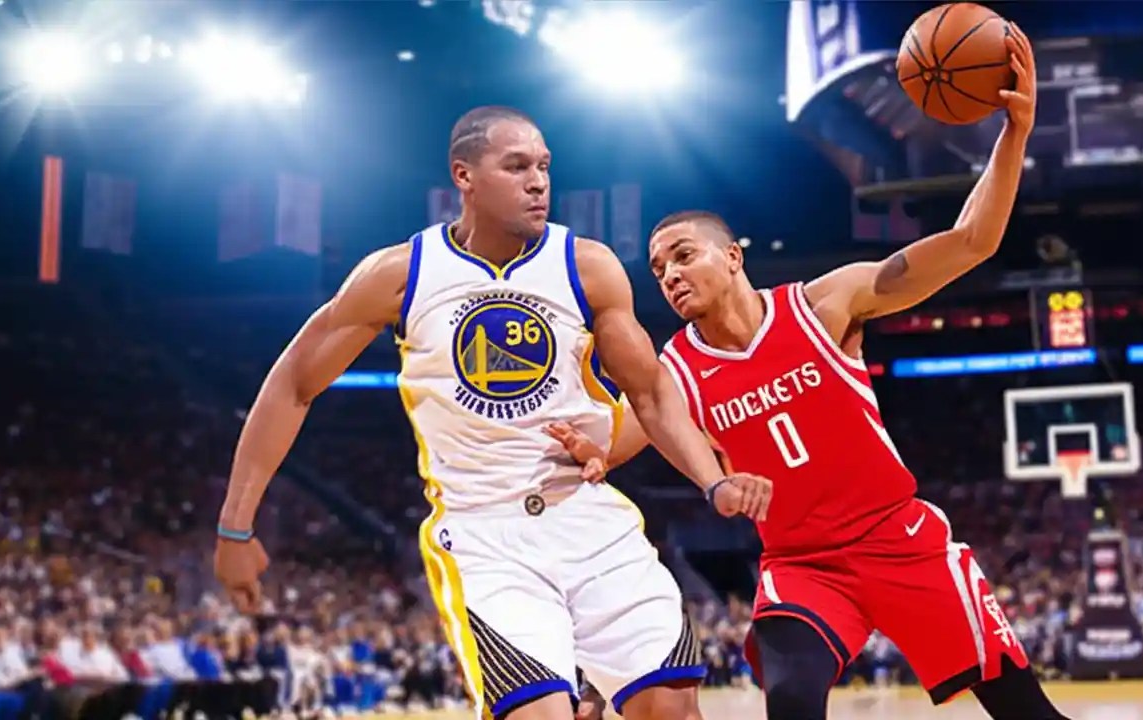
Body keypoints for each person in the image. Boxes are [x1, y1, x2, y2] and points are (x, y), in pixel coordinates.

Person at [545, 27, 1070, 720]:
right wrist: (585, 451)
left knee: (1027, 714)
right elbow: (617, 440)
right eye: (659, 268)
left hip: (900, 539)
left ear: (732, 256)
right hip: (802, 564)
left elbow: (973, 242)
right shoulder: (674, 370)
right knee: (791, 700)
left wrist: (1014, 133)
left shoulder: (828, 303)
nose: (669, 275)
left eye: (682, 255)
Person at [212, 105, 773, 720]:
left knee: (672, 712)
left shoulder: (587, 266)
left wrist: (711, 480)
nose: (538, 182)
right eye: (516, 166)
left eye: (544, 167)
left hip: (588, 521)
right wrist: (236, 526)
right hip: (484, 534)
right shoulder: (401, 274)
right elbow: (292, 384)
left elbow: (652, 393)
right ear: (464, 175)